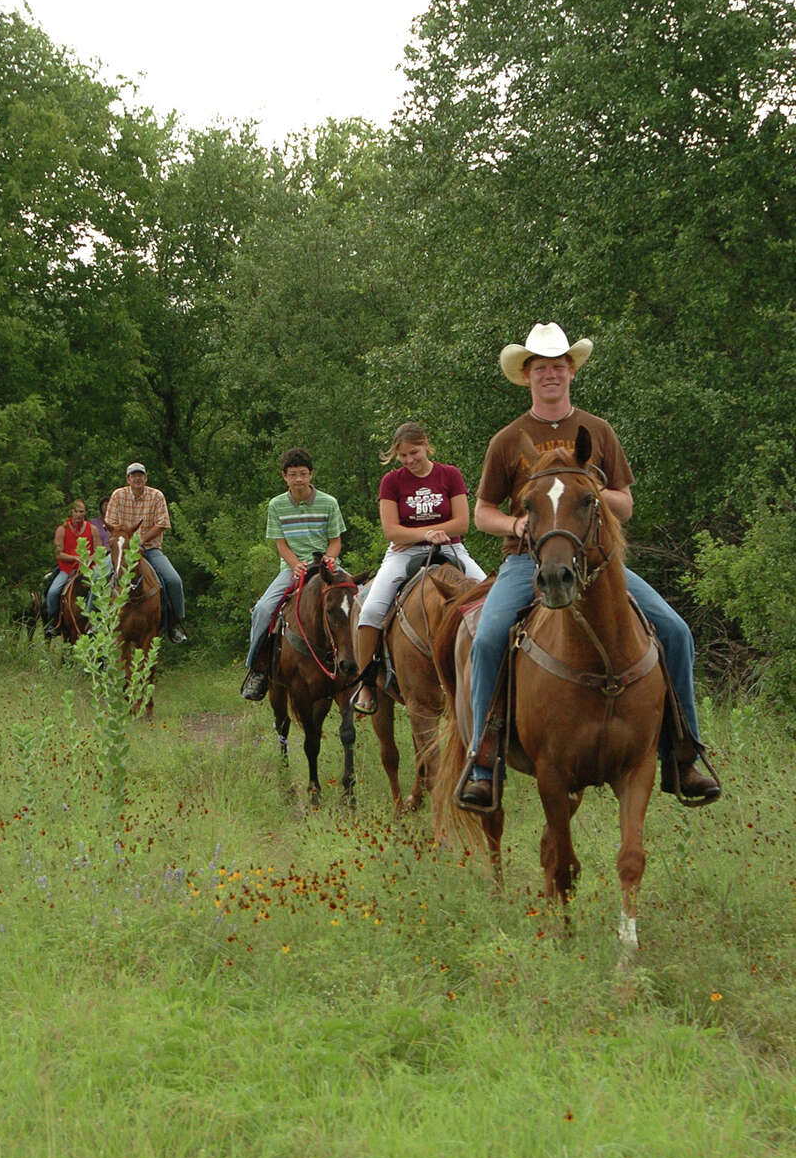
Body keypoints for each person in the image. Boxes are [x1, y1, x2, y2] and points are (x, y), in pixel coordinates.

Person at [457, 322, 720, 810]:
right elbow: (483, 511)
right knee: (490, 635)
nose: (550, 374)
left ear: (571, 371)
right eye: (541, 368)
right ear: (528, 375)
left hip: (599, 563)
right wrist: (516, 528)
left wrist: (588, 496)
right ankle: (484, 759)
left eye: (558, 366)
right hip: (526, 563)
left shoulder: (599, 431)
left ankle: (684, 753)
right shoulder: (508, 439)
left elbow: (626, 500)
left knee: (676, 630)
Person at [352, 422, 486, 715]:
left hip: (451, 548)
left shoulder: (449, 474)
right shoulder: (392, 481)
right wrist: (425, 534)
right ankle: (366, 684)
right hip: (405, 551)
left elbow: (462, 523)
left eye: (414, 452)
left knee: (491, 598)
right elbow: (392, 531)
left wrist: (435, 533)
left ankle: (499, 676)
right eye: (403, 456)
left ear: (426, 445)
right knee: (371, 610)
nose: (410, 460)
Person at [240, 448, 346, 701]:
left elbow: (335, 540)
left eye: (303, 474)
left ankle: (368, 669)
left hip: (327, 567)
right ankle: (258, 669)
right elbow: (280, 544)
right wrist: (295, 565)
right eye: (293, 475)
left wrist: (330, 559)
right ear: (284, 477)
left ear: (311, 474)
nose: (298, 479)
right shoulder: (276, 505)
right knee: (265, 609)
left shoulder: (329, 502)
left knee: (361, 600)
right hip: (292, 567)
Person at [105, 463, 188, 643]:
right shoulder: (118, 495)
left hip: (149, 548)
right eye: (133, 476)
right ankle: (96, 623)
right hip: (121, 550)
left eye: (140, 475)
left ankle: (175, 624)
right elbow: (110, 523)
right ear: (128, 479)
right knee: (97, 577)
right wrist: (127, 539)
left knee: (173, 580)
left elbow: (162, 523)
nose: (137, 479)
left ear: (145, 478)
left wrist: (140, 540)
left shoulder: (156, 496)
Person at [44, 499, 101, 637]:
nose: (78, 514)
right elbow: (58, 553)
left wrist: (89, 559)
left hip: (88, 569)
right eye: (76, 511)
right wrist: (75, 558)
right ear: (71, 512)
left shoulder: (92, 529)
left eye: (81, 511)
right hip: (68, 569)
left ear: (85, 513)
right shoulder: (62, 529)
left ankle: (98, 622)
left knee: (101, 588)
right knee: (53, 592)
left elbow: (99, 550)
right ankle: (54, 623)